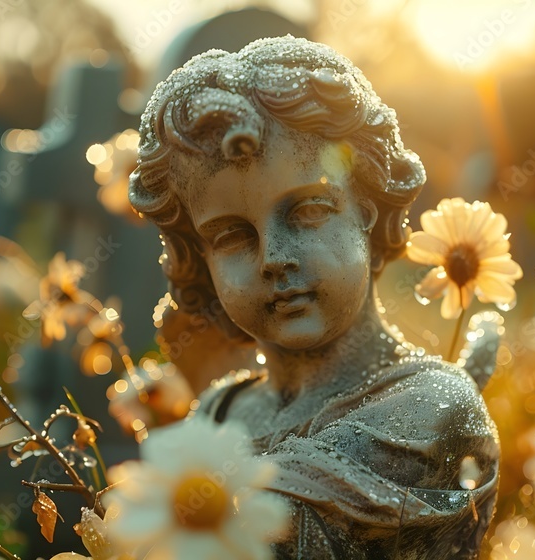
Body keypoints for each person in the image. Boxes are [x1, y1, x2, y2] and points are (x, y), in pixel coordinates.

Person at [128, 36, 499, 559]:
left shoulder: (428, 409)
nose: (273, 257)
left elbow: (256, 523)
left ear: (367, 209)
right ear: (200, 259)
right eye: (232, 235)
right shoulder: (218, 412)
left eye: (308, 210)